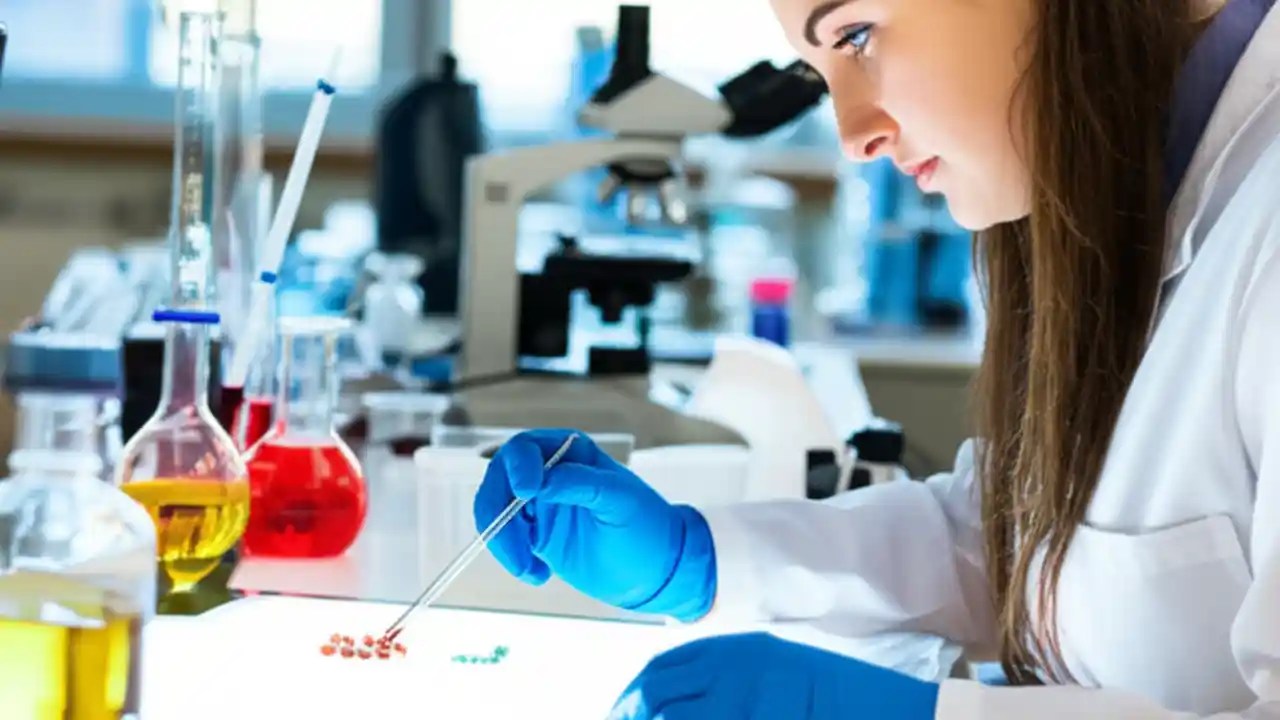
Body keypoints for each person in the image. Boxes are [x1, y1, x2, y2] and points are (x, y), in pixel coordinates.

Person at [472, 0, 1280, 716]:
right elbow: (1027, 540)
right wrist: (702, 560)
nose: (856, 136)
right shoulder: (1129, 193)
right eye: (819, 72)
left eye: (857, 34)